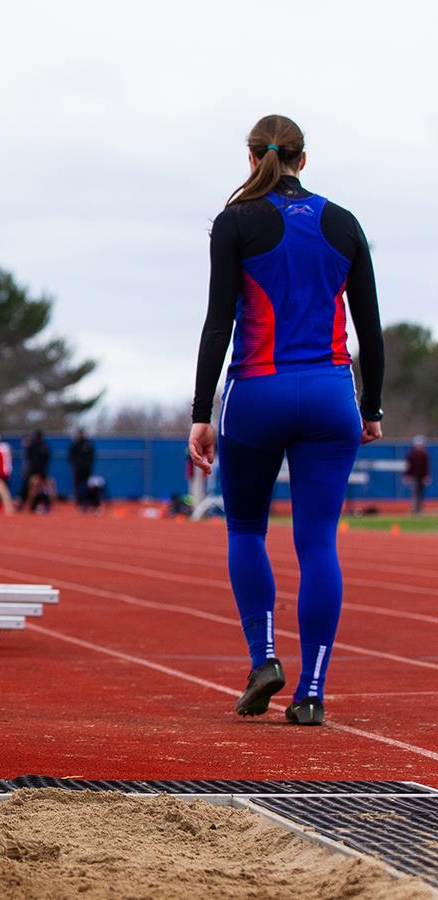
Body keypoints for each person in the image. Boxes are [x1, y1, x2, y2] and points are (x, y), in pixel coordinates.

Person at [188, 115, 384, 727]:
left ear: (253, 160)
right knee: (318, 542)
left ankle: (264, 658)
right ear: (305, 158)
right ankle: (314, 691)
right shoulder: (345, 223)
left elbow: (218, 322)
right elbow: (370, 331)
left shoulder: (235, 221)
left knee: (246, 530)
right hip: (331, 397)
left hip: (258, 394)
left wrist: (201, 414)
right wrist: (371, 408)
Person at [20, 429, 53, 513]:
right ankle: (28, 505)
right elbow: (28, 459)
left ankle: (47, 505)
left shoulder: (44, 446)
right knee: (31, 488)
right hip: (32, 471)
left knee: (46, 488)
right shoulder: (32, 446)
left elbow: (47, 459)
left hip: (42, 472)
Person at [69, 427, 96, 507]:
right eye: (80, 434)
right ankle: (79, 501)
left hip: (87, 469)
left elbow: (92, 456)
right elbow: (70, 456)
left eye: (82, 433)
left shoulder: (88, 444)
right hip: (78, 469)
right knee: (77, 486)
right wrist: (75, 465)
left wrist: (88, 464)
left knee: (89, 485)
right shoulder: (74, 444)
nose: (81, 435)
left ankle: (88, 500)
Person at [406, 436, 429, 515]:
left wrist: (426, 476)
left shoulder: (424, 455)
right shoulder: (411, 455)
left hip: (421, 477)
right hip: (414, 477)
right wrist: (407, 475)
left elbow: (426, 467)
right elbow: (408, 467)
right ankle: (414, 509)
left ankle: (419, 509)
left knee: (420, 494)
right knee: (414, 493)